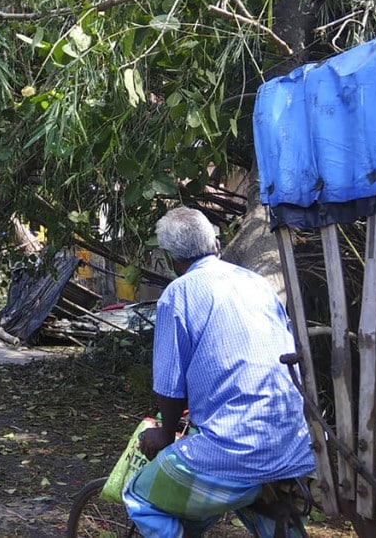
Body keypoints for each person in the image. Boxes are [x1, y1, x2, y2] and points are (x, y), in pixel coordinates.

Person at [123, 207, 315, 537]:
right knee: (260, 503)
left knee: (139, 496)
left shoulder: (178, 294)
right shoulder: (256, 283)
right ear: (216, 244)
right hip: (293, 440)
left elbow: (169, 385)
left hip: (234, 447)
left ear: (171, 259)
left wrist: (165, 435)